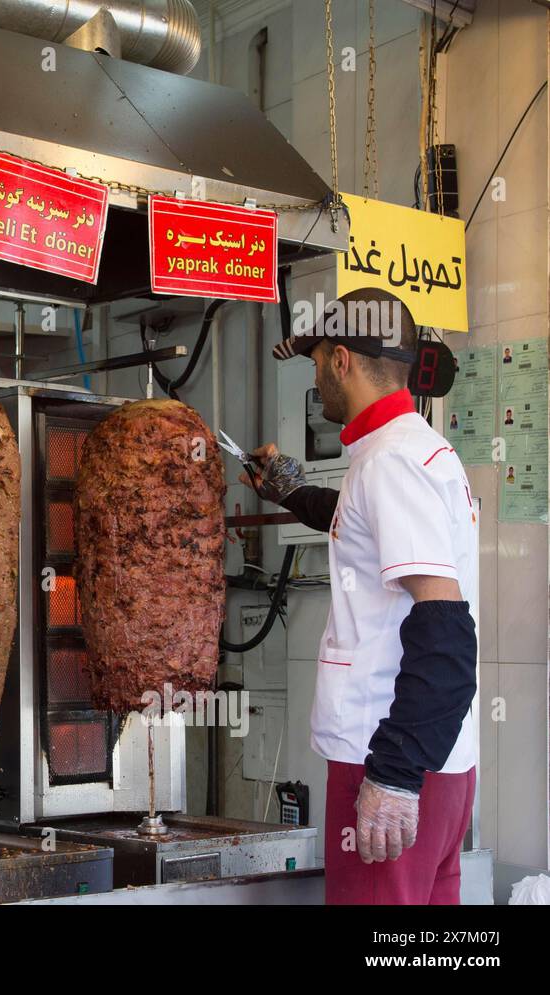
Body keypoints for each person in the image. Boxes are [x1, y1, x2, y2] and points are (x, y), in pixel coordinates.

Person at [244, 288, 477, 905]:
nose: (317, 376)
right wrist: (293, 490)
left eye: (318, 360)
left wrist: (394, 774)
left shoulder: (392, 463)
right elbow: (368, 530)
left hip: (391, 759)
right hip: (435, 763)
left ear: (341, 359)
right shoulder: (410, 451)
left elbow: (446, 628)